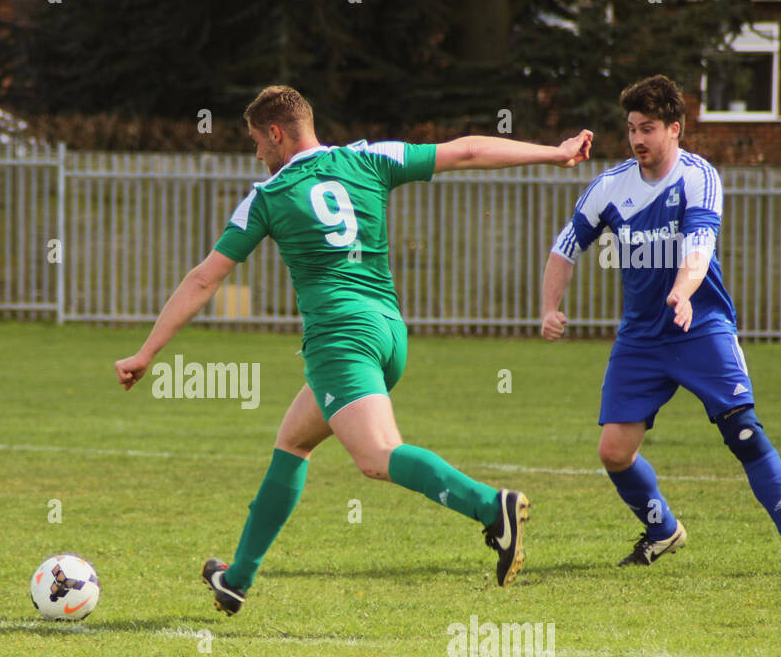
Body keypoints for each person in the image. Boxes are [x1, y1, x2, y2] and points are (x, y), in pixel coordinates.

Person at [115, 85, 594, 614]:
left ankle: (490, 507)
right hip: (388, 332)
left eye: (256, 141)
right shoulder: (369, 157)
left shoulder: (269, 196)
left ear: (276, 133)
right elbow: (468, 150)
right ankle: (237, 577)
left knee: (376, 457)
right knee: (293, 441)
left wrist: (147, 353)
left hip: (339, 341)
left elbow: (205, 280)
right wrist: (555, 151)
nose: (256, 154)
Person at [540, 74, 781, 575]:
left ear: (675, 129)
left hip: (701, 328)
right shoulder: (610, 187)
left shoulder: (698, 176)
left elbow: (699, 248)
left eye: (649, 128)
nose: (638, 139)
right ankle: (662, 529)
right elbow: (564, 246)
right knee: (614, 451)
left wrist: (681, 291)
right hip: (640, 338)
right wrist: (550, 308)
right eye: (632, 128)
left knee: (742, 432)